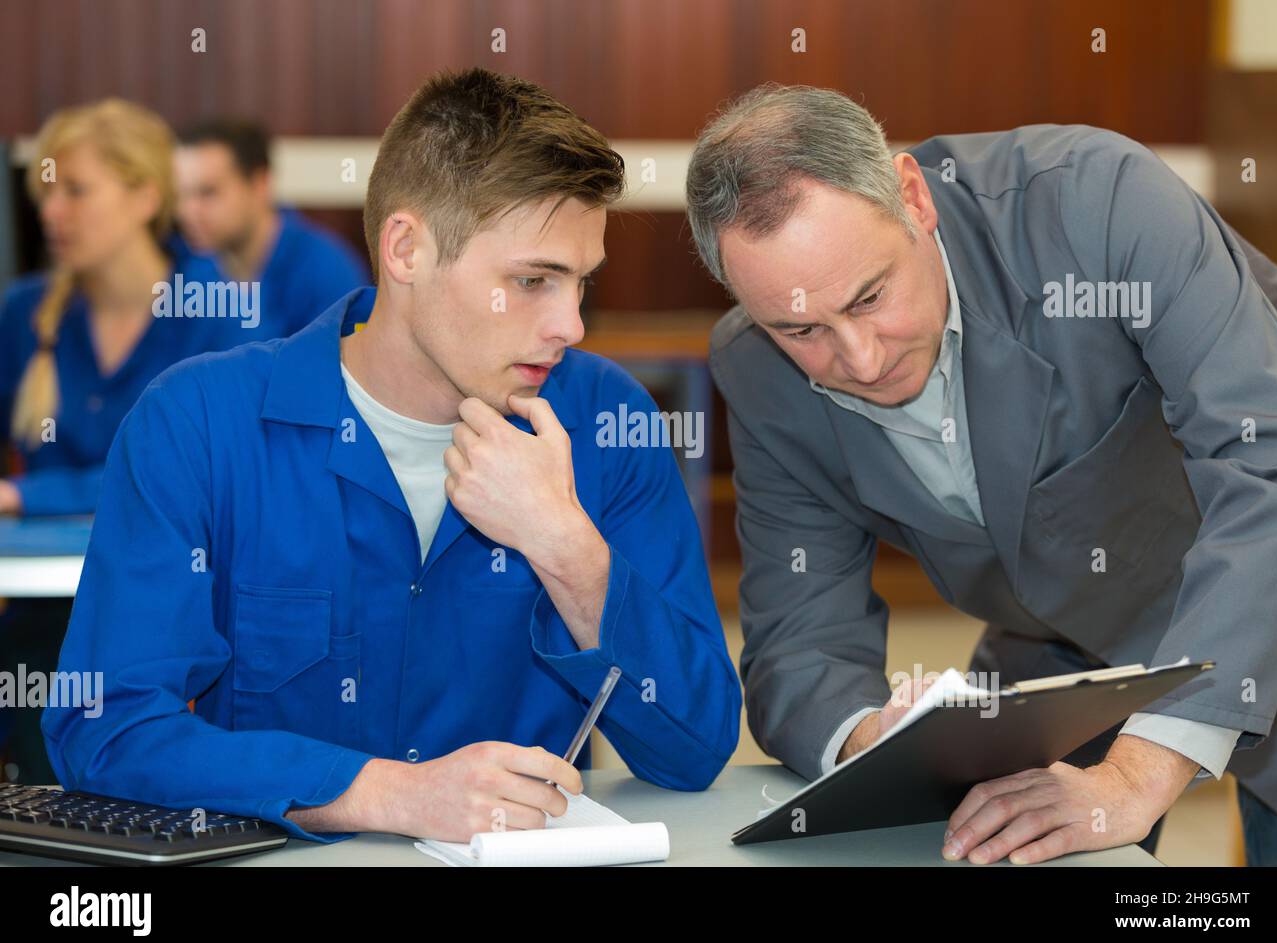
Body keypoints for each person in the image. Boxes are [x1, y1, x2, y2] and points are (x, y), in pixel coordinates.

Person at [44, 68, 741, 844]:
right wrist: (387, 794)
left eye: (580, 284)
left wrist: (565, 545)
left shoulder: (609, 422)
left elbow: (696, 748)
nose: (571, 325)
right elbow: (103, 728)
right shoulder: (198, 423)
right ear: (405, 249)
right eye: (533, 281)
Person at [687, 84, 1277, 865]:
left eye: (871, 297)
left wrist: (1138, 774)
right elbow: (799, 641)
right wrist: (881, 741)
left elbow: (1273, 462)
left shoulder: (1095, 204)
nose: (860, 360)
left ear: (914, 198)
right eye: (801, 329)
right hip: (1061, 649)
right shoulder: (757, 372)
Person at [0, 99, 236, 784]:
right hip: (43, 613)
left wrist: (23, 493)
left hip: (177, 608)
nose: (51, 212)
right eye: (45, 192)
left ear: (144, 195)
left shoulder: (215, 316)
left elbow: (180, 478)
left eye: (75, 190)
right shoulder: (25, 314)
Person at [174, 118, 370, 341]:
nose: (188, 212)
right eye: (181, 195)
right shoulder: (187, 266)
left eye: (208, 192)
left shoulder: (327, 273)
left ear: (260, 184)